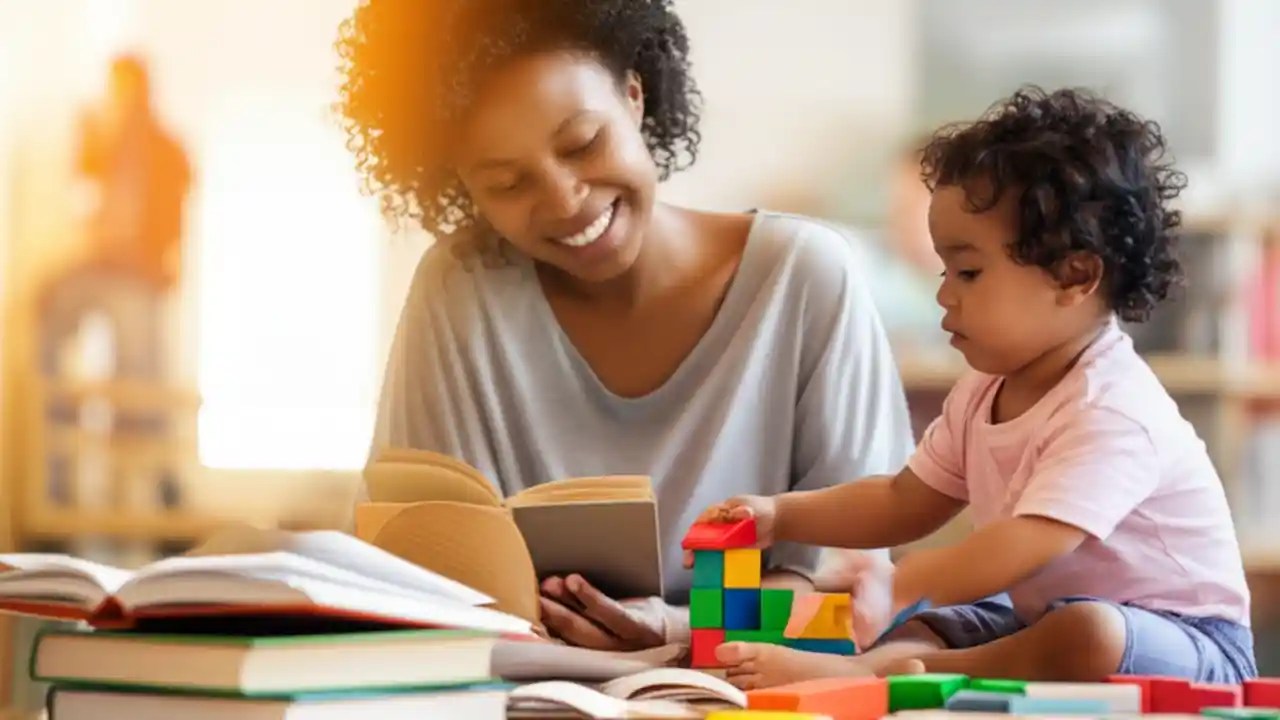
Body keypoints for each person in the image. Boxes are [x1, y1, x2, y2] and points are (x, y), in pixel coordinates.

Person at [334, 0, 914, 651]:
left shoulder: (805, 280)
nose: (564, 201)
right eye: (506, 182)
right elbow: (421, 573)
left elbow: (853, 600)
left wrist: (672, 629)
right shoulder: (459, 290)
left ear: (635, 97)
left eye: (583, 144)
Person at [694, 87, 1256, 688]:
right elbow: (902, 500)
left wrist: (903, 580)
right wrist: (781, 515)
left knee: (1086, 634)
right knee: (929, 622)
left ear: (1075, 275)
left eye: (968, 272)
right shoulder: (984, 389)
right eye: (943, 270)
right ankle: (888, 668)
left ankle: (883, 676)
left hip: (1191, 643)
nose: (944, 294)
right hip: (1039, 619)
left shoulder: (1113, 407)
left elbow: (1031, 541)